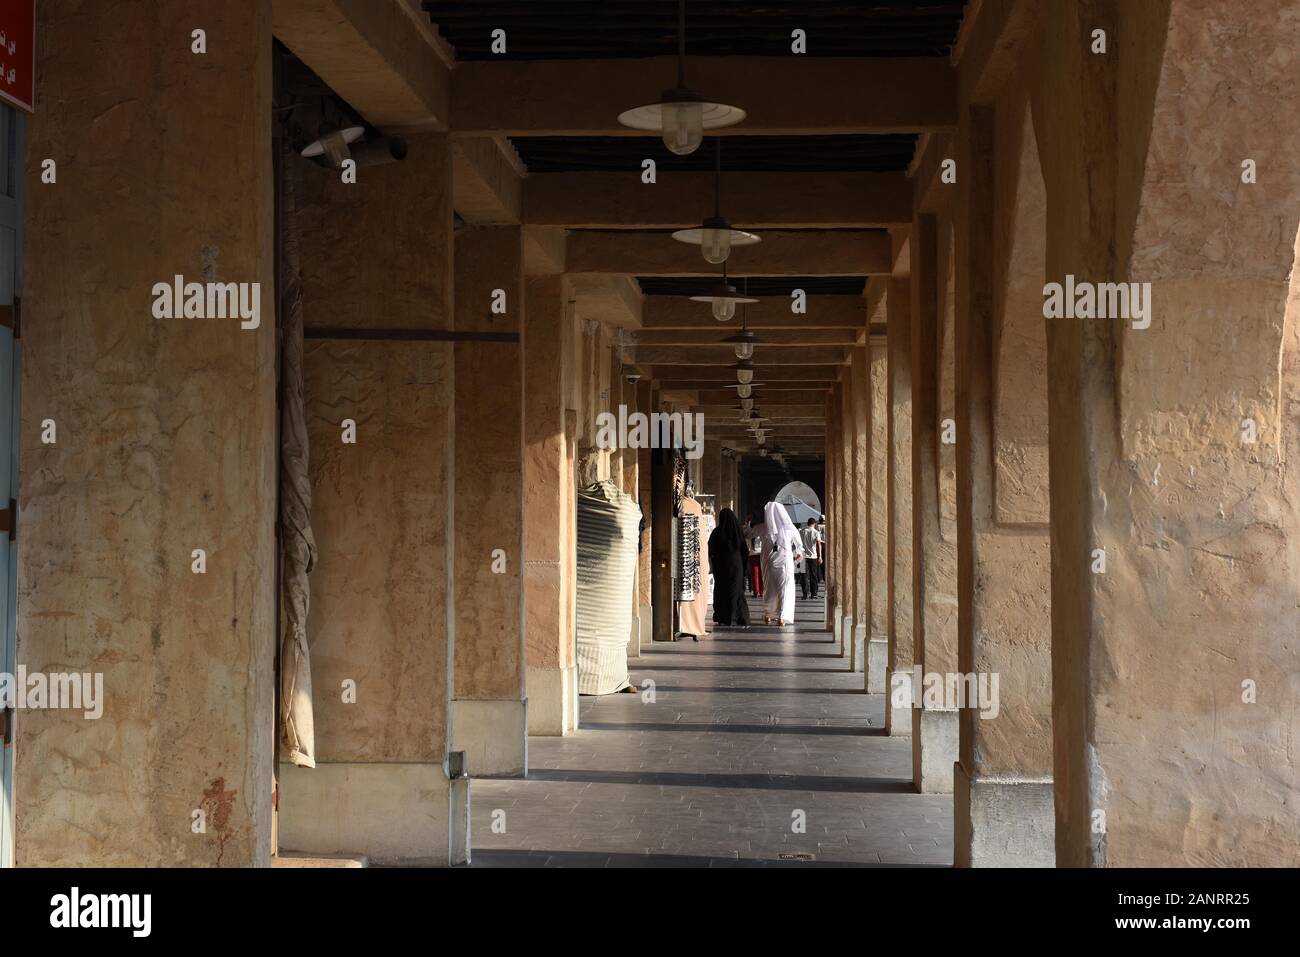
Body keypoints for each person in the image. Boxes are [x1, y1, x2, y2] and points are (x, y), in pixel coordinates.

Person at [760, 501, 802, 626]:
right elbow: (799, 545)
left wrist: (747, 523)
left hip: (768, 561)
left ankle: (768, 614)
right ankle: (781, 617)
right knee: (784, 589)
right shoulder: (789, 528)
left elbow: (747, 533)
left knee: (770, 588)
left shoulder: (763, 528)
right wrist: (798, 553)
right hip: (784, 561)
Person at [708, 508, 750, 628]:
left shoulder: (716, 532)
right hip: (736, 566)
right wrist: (744, 567)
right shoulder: (737, 532)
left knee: (722, 590)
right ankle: (738, 617)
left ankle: (722, 617)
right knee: (735, 591)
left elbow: (710, 550)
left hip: (721, 566)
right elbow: (745, 551)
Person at [800, 518, 823, 599]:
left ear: (807, 523)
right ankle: (814, 593)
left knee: (803, 575)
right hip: (813, 556)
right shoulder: (816, 532)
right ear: (814, 524)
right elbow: (819, 544)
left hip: (802, 556)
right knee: (813, 575)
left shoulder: (801, 531)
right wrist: (820, 556)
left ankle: (805, 594)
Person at [746, 509, 765, 598]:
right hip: (760, 554)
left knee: (755, 574)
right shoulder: (761, 530)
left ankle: (756, 592)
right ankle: (760, 591)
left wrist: (748, 523)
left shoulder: (750, 531)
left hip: (753, 554)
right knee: (761, 574)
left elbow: (746, 535)